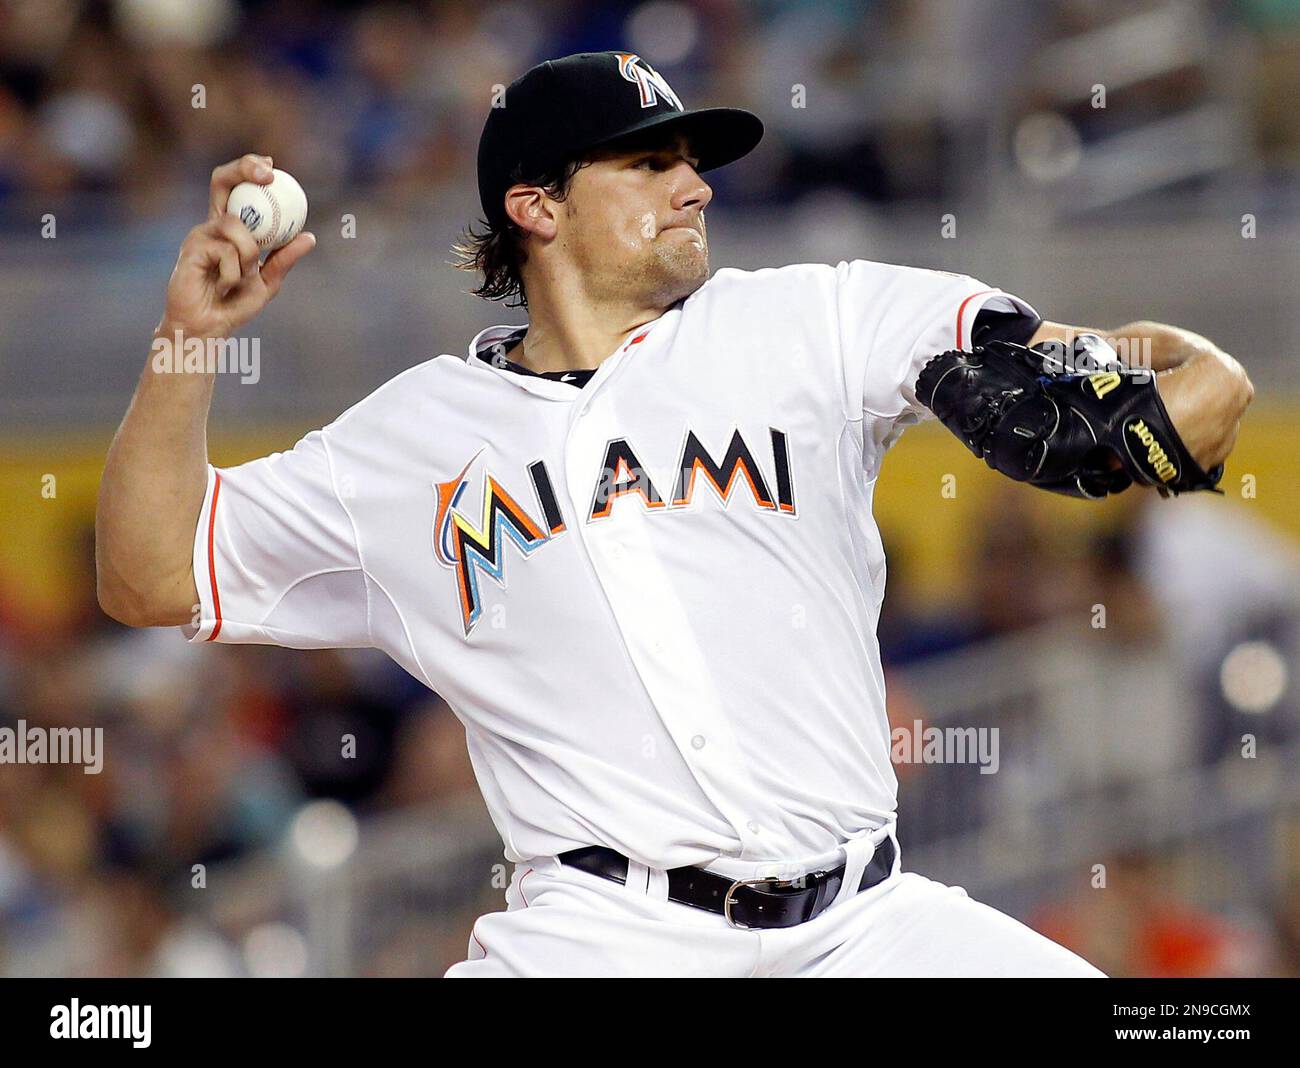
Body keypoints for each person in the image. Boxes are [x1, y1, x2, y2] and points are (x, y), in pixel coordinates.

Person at [95, 52, 1253, 977]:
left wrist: (1184, 368)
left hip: (869, 928)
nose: (692, 184)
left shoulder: (814, 321)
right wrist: (188, 343)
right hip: (606, 938)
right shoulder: (403, 446)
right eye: (647, 165)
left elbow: (1079, 371)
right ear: (534, 205)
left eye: (689, 160)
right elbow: (151, 576)